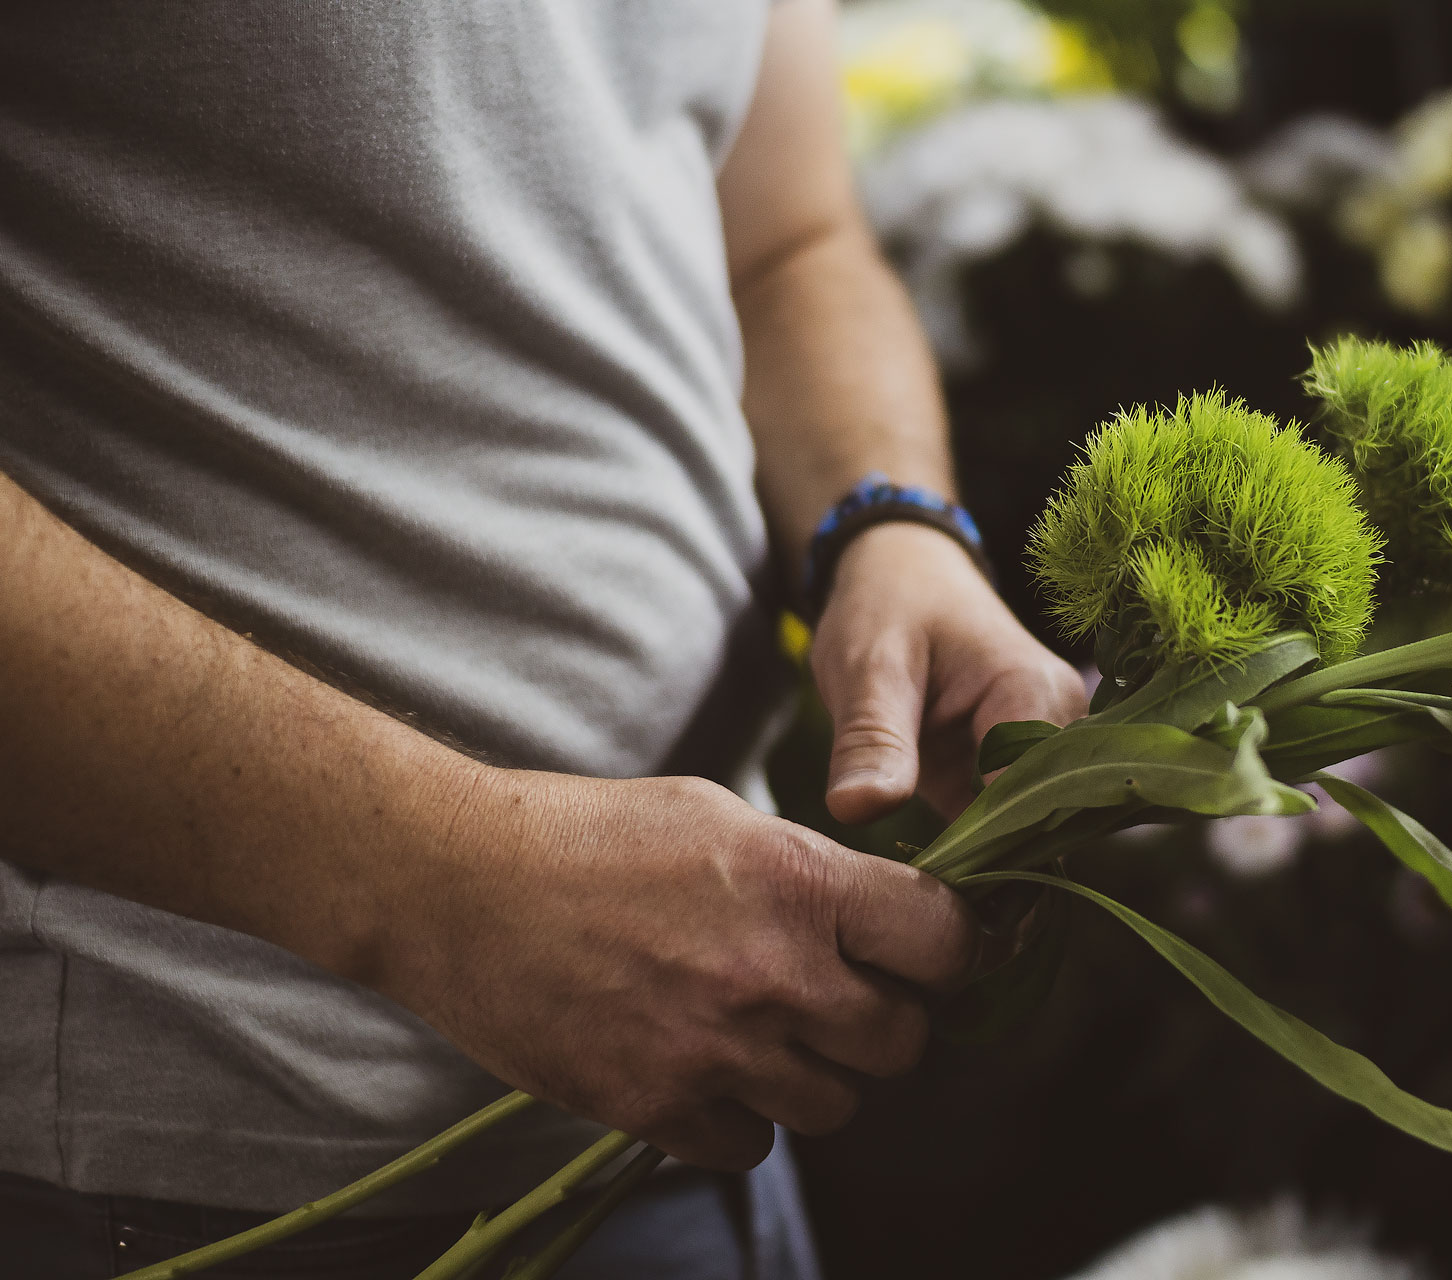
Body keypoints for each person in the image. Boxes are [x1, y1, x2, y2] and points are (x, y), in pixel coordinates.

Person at [0, 1, 1086, 1276]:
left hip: (696, 1117)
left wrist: (889, 524)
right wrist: (442, 886)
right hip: (218, 1173)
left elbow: (787, 240)